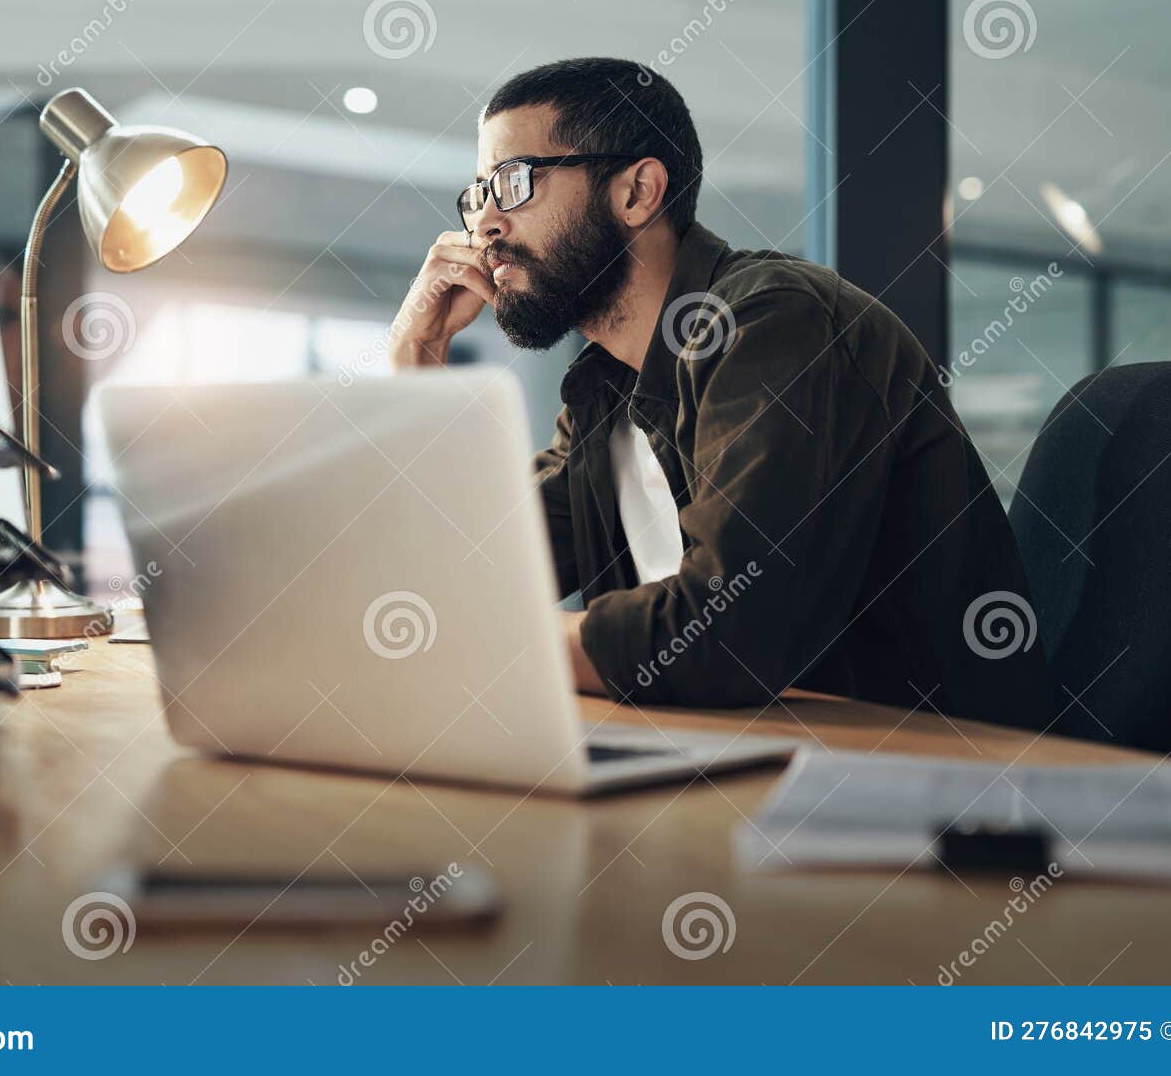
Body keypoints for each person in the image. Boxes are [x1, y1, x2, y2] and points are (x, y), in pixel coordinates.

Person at [391, 56, 1050, 728]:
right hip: (737, 751)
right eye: (478, 194)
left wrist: (499, 642)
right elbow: (470, 570)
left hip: (922, 768)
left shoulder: (776, 323)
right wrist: (416, 358)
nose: (485, 224)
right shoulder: (605, 389)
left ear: (637, 193)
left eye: (512, 182)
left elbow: (729, 632)